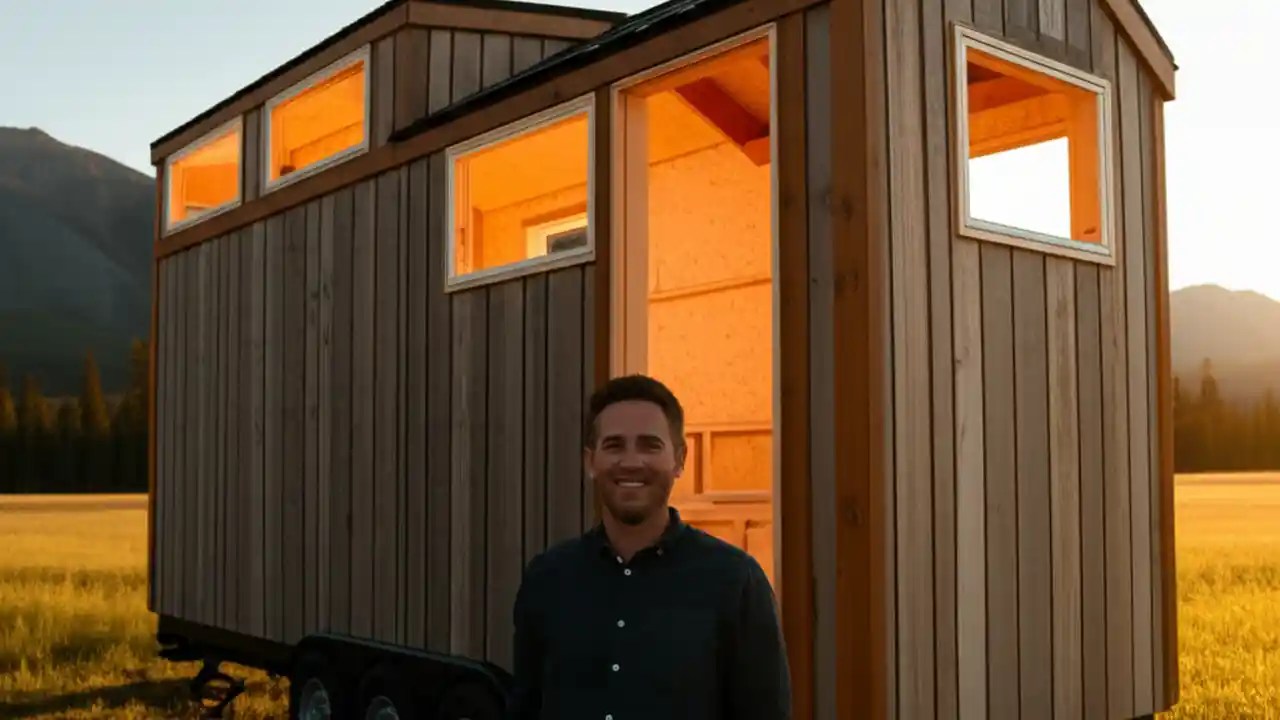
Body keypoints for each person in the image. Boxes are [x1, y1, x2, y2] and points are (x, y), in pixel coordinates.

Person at [509, 374, 791, 719]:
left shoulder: (736, 582)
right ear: (590, 462)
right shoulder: (547, 579)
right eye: (614, 445)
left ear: (679, 459)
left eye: (649, 445)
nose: (631, 462)